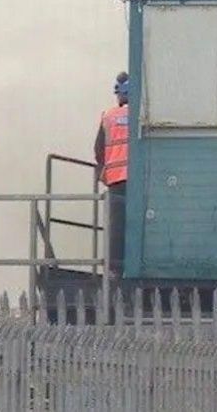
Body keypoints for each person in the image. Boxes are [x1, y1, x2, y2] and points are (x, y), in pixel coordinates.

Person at [95, 71, 128, 278]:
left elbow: (98, 149)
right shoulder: (139, 114)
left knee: (116, 224)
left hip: (115, 178)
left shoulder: (108, 116)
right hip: (135, 177)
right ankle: (131, 263)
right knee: (134, 221)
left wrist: (103, 172)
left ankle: (115, 268)